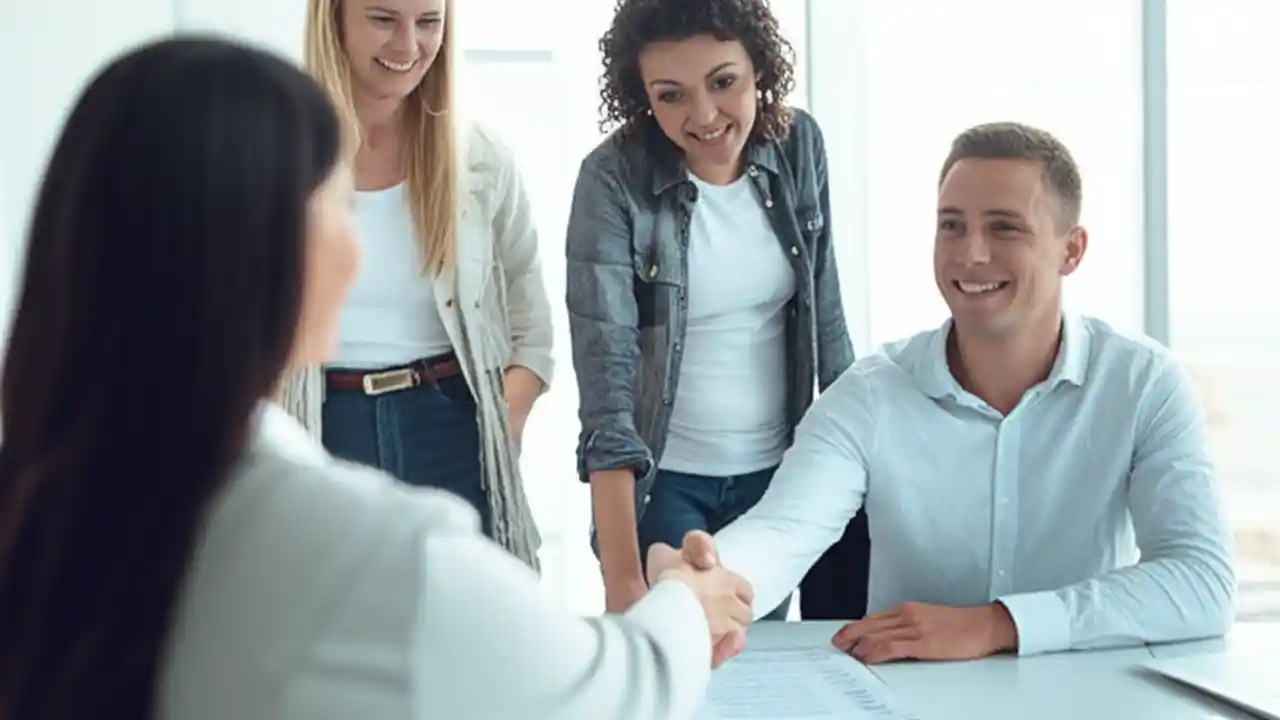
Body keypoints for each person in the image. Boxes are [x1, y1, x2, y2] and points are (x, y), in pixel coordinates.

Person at [0, 37, 752, 719]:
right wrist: (686, 603)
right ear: (274, 246)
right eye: (339, 204)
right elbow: (612, 692)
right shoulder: (373, 551)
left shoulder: (47, 498)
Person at [687, 122, 1238, 662]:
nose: (970, 253)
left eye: (1004, 228)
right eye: (952, 226)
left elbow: (1202, 582)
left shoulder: (1143, 384)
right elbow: (784, 531)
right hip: (908, 702)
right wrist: (702, 579)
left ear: (1071, 251)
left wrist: (997, 625)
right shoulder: (871, 394)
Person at [567, 0, 859, 617]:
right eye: (671, 96)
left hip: (783, 481)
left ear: (759, 67)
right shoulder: (612, 180)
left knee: (765, 676)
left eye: (723, 82)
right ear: (641, 95)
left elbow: (828, 324)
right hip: (667, 486)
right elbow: (607, 391)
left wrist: (852, 484)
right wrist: (622, 581)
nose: (703, 116)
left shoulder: (798, 146)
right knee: (688, 678)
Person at [281, 0, 552, 567]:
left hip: (451, 424)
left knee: (472, 635)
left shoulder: (481, 160)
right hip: (327, 428)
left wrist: (504, 422)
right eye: (383, 20)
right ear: (335, 20)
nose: (408, 47)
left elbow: (533, 332)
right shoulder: (277, 159)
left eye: (429, 22)